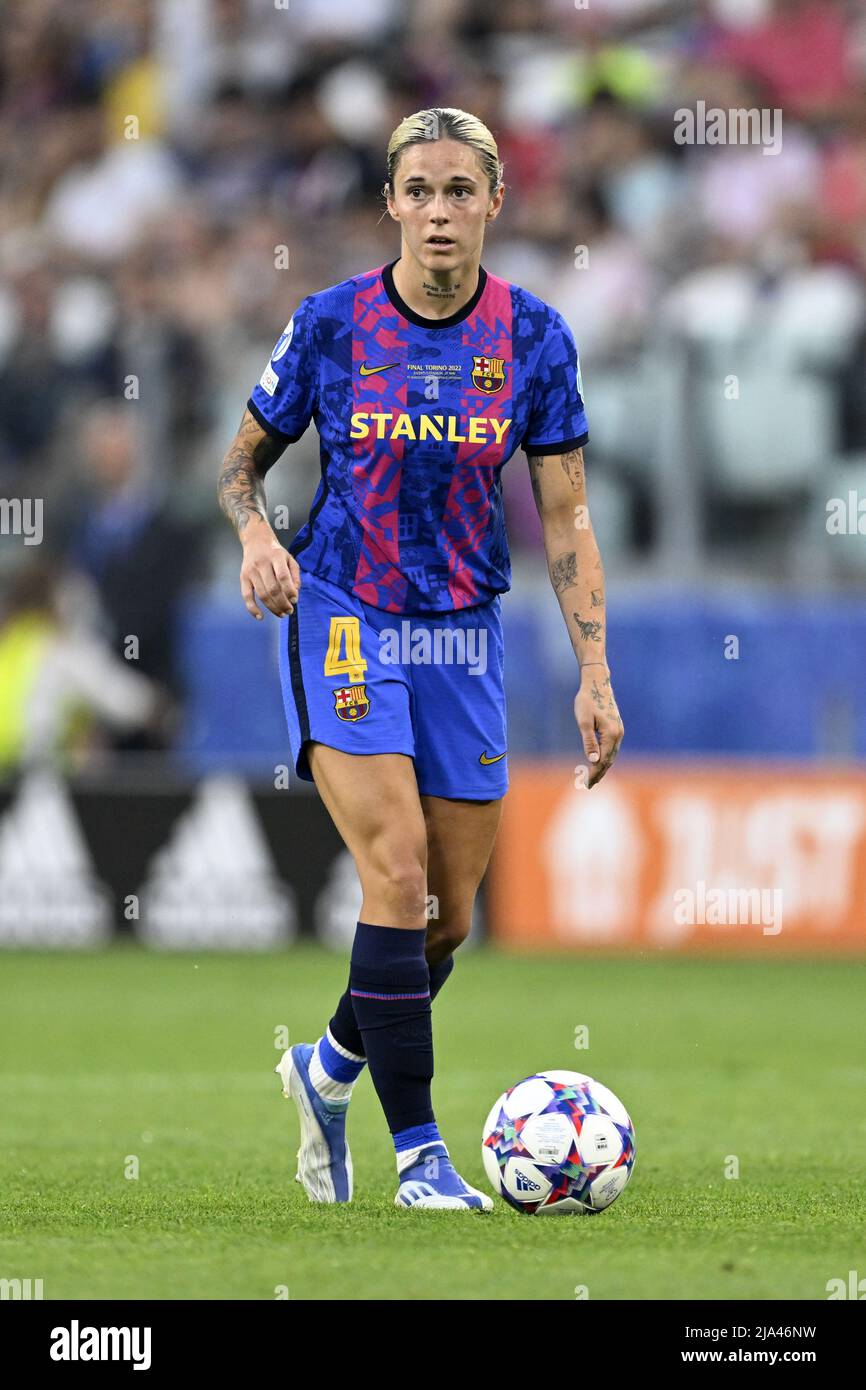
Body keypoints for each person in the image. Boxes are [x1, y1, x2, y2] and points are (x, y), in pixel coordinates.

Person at [217, 108, 623, 1211]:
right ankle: (419, 1159)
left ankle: (328, 1069)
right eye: (418, 191)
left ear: (494, 201)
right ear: (390, 203)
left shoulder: (533, 337)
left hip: (461, 628)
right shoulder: (332, 324)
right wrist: (257, 535)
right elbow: (240, 467)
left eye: (459, 191)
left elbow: (567, 517)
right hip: (344, 610)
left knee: (445, 914)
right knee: (392, 871)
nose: (438, 212)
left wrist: (593, 671)